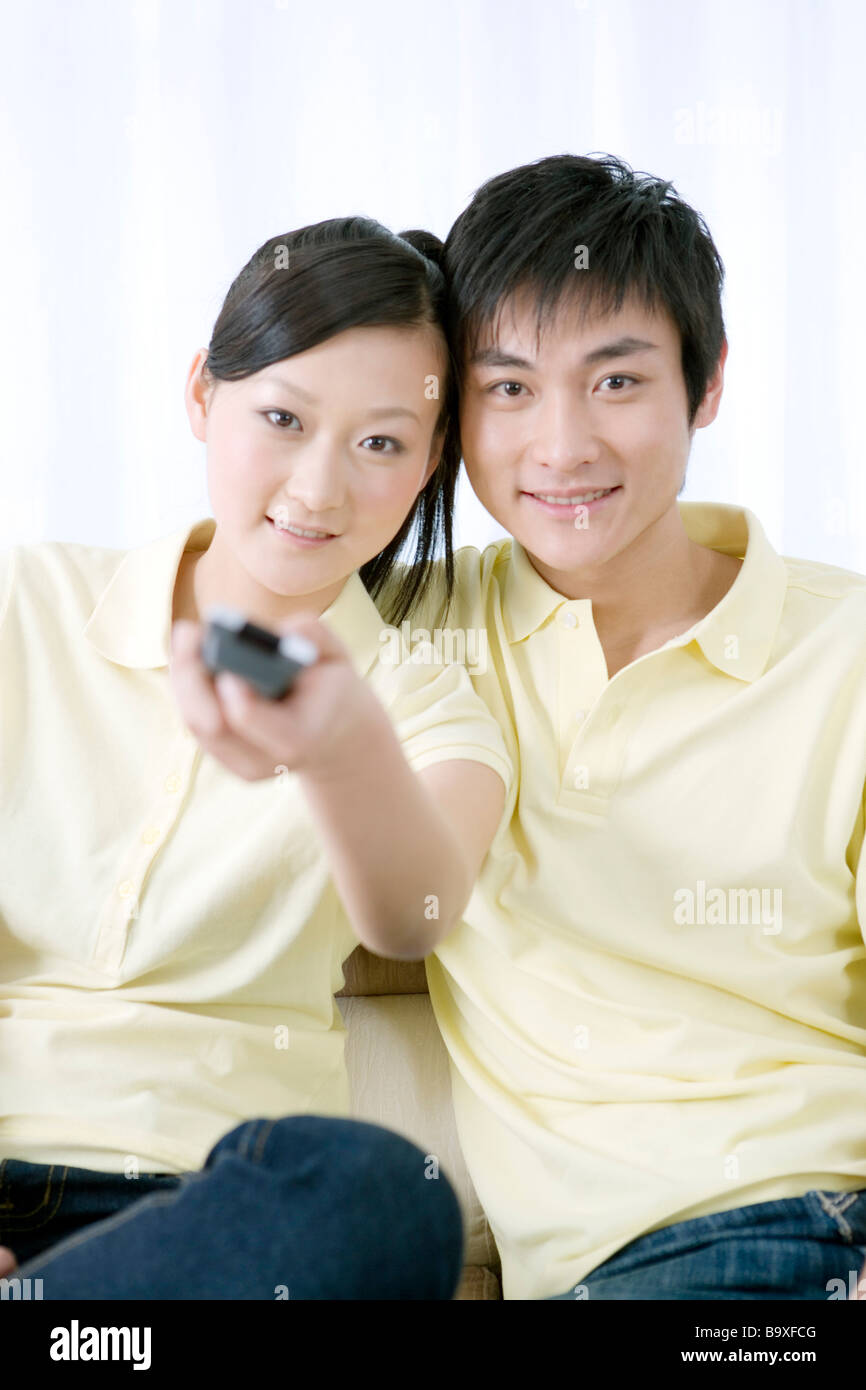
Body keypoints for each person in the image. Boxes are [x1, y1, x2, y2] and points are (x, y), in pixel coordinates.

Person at [377, 154, 866, 1300]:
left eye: (613, 381)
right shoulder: (411, 633)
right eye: (506, 388)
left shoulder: (843, 648)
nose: (560, 447)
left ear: (705, 385)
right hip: (638, 1271)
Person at [0, 217, 512, 1299]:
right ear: (201, 394)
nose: (319, 486)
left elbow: (413, 916)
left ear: (429, 465)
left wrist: (339, 751)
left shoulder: (422, 698)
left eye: (380, 442)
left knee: (381, 1194)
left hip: (215, 1216)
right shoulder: (31, 606)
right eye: (281, 417)